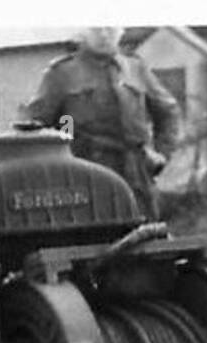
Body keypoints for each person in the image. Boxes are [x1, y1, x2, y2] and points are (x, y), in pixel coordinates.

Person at [22, 27, 181, 219]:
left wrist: (161, 154)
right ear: (82, 31)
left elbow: (168, 111)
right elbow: (32, 125)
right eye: (97, 29)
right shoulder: (62, 74)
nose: (105, 35)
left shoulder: (135, 68)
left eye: (110, 29)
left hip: (136, 177)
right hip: (84, 178)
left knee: (144, 237)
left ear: (120, 31)